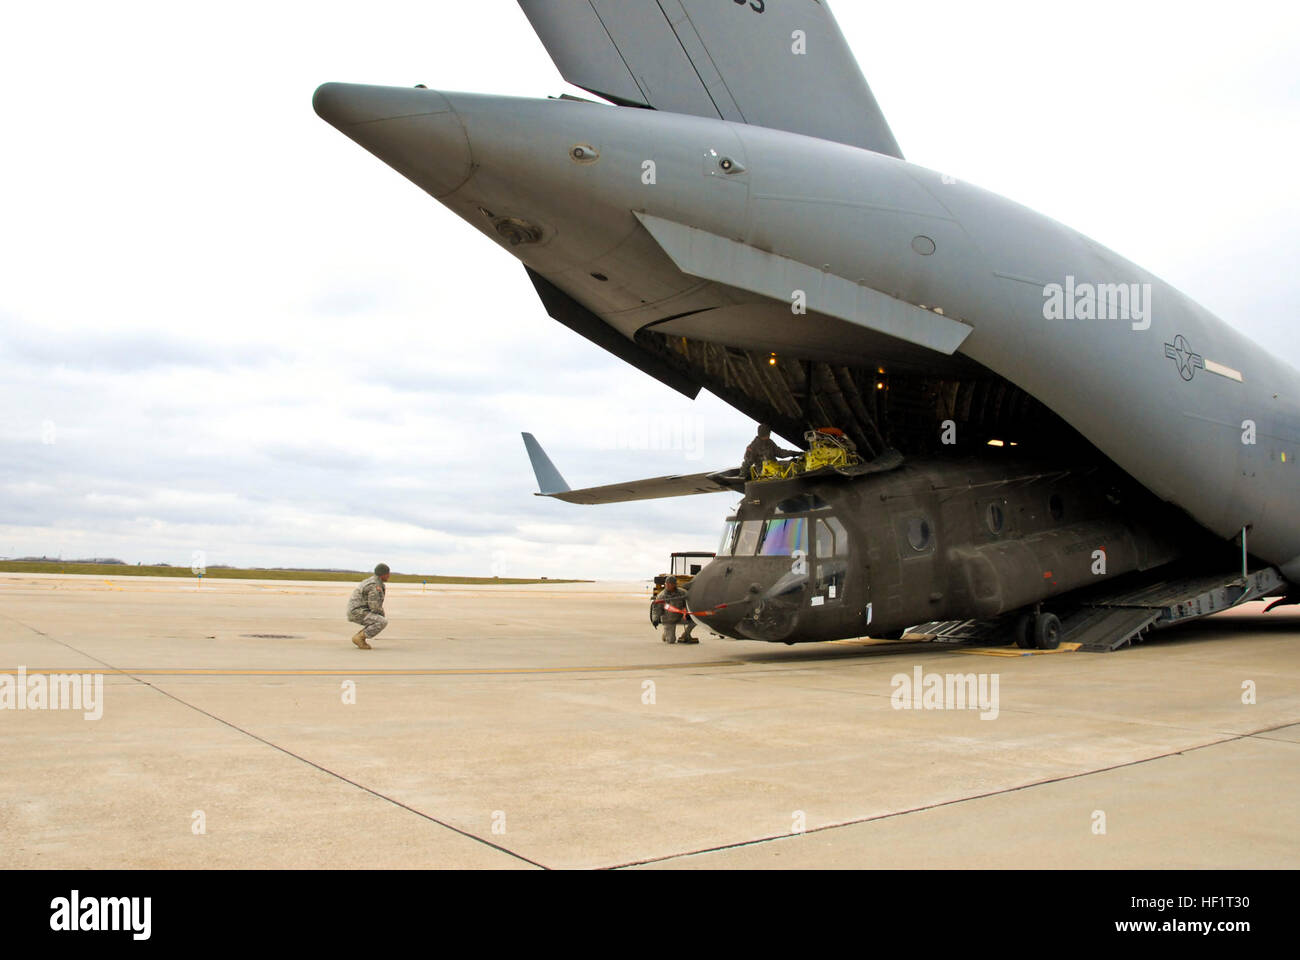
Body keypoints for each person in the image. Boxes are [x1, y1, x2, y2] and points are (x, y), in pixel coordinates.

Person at [347, 563, 391, 649]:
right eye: (388, 573)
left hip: (358, 610)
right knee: (381, 622)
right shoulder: (374, 585)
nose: (389, 575)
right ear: (383, 574)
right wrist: (381, 614)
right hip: (357, 612)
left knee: (379, 620)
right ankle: (359, 638)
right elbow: (374, 606)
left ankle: (360, 636)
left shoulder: (374, 581)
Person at [655, 576, 698, 644]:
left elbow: (688, 602)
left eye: (670, 584)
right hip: (668, 620)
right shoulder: (661, 596)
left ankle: (686, 634)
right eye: (666, 584)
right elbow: (657, 609)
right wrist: (655, 619)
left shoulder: (682, 592)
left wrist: (688, 613)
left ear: (675, 584)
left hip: (679, 617)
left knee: (696, 619)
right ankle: (666, 633)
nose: (668, 585)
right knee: (671, 641)